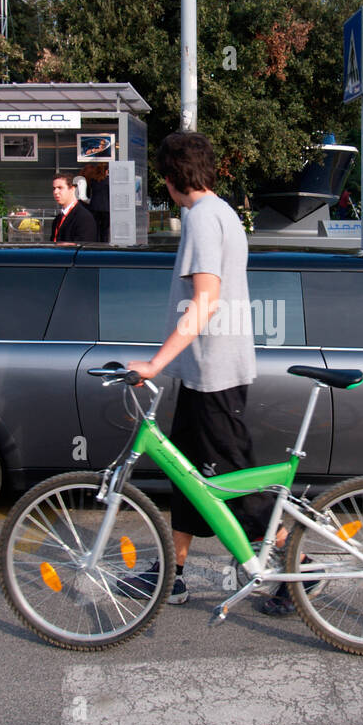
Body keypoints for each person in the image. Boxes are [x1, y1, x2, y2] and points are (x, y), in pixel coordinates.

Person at [124, 132, 283, 611]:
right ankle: (172, 574)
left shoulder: (201, 218)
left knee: (234, 482)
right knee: (188, 475)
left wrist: (155, 363)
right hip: (204, 372)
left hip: (215, 373)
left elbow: (206, 300)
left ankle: (296, 573)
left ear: (171, 179)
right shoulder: (221, 212)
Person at [48, 175, 97, 243]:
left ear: (72, 189)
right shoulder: (58, 219)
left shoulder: (84, 218)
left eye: (60, 188)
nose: (55, 192)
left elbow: (84, 248)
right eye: (54, 188)